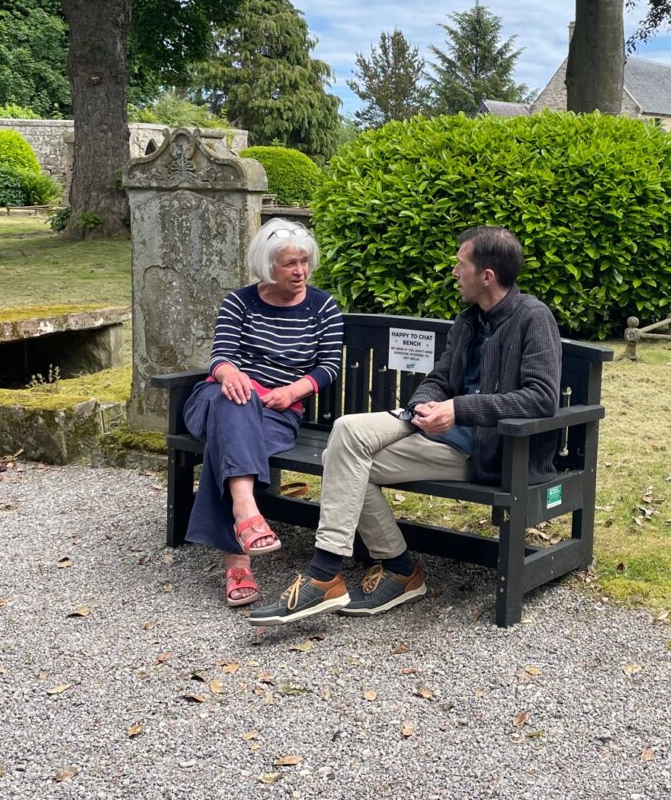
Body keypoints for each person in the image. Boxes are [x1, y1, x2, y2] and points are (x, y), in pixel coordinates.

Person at [249, 225, 562, 627]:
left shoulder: (533, 317)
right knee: (345, 437)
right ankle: (381, 571)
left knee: (341, 458)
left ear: (487, 276)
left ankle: (345, 573)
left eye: (460, 264)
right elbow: (440, 378)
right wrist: (422, 404)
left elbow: (541, 397)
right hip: (436, 432)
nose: (454, 271)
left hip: (489, 450)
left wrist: (459, 410)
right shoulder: (469, 320)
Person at [183, 219, 343, 607]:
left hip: (276, 411)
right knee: (234, 402)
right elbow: (220, 357)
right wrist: (230, 374)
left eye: (304, 261)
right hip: (217, 400)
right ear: (267, 265)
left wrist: (293, 391)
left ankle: (238, 560)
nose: (300, 271)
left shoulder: (322, 306)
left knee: (230, 444)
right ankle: (247, 513)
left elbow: (329, 366)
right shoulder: (239, 302)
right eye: (290, 263)